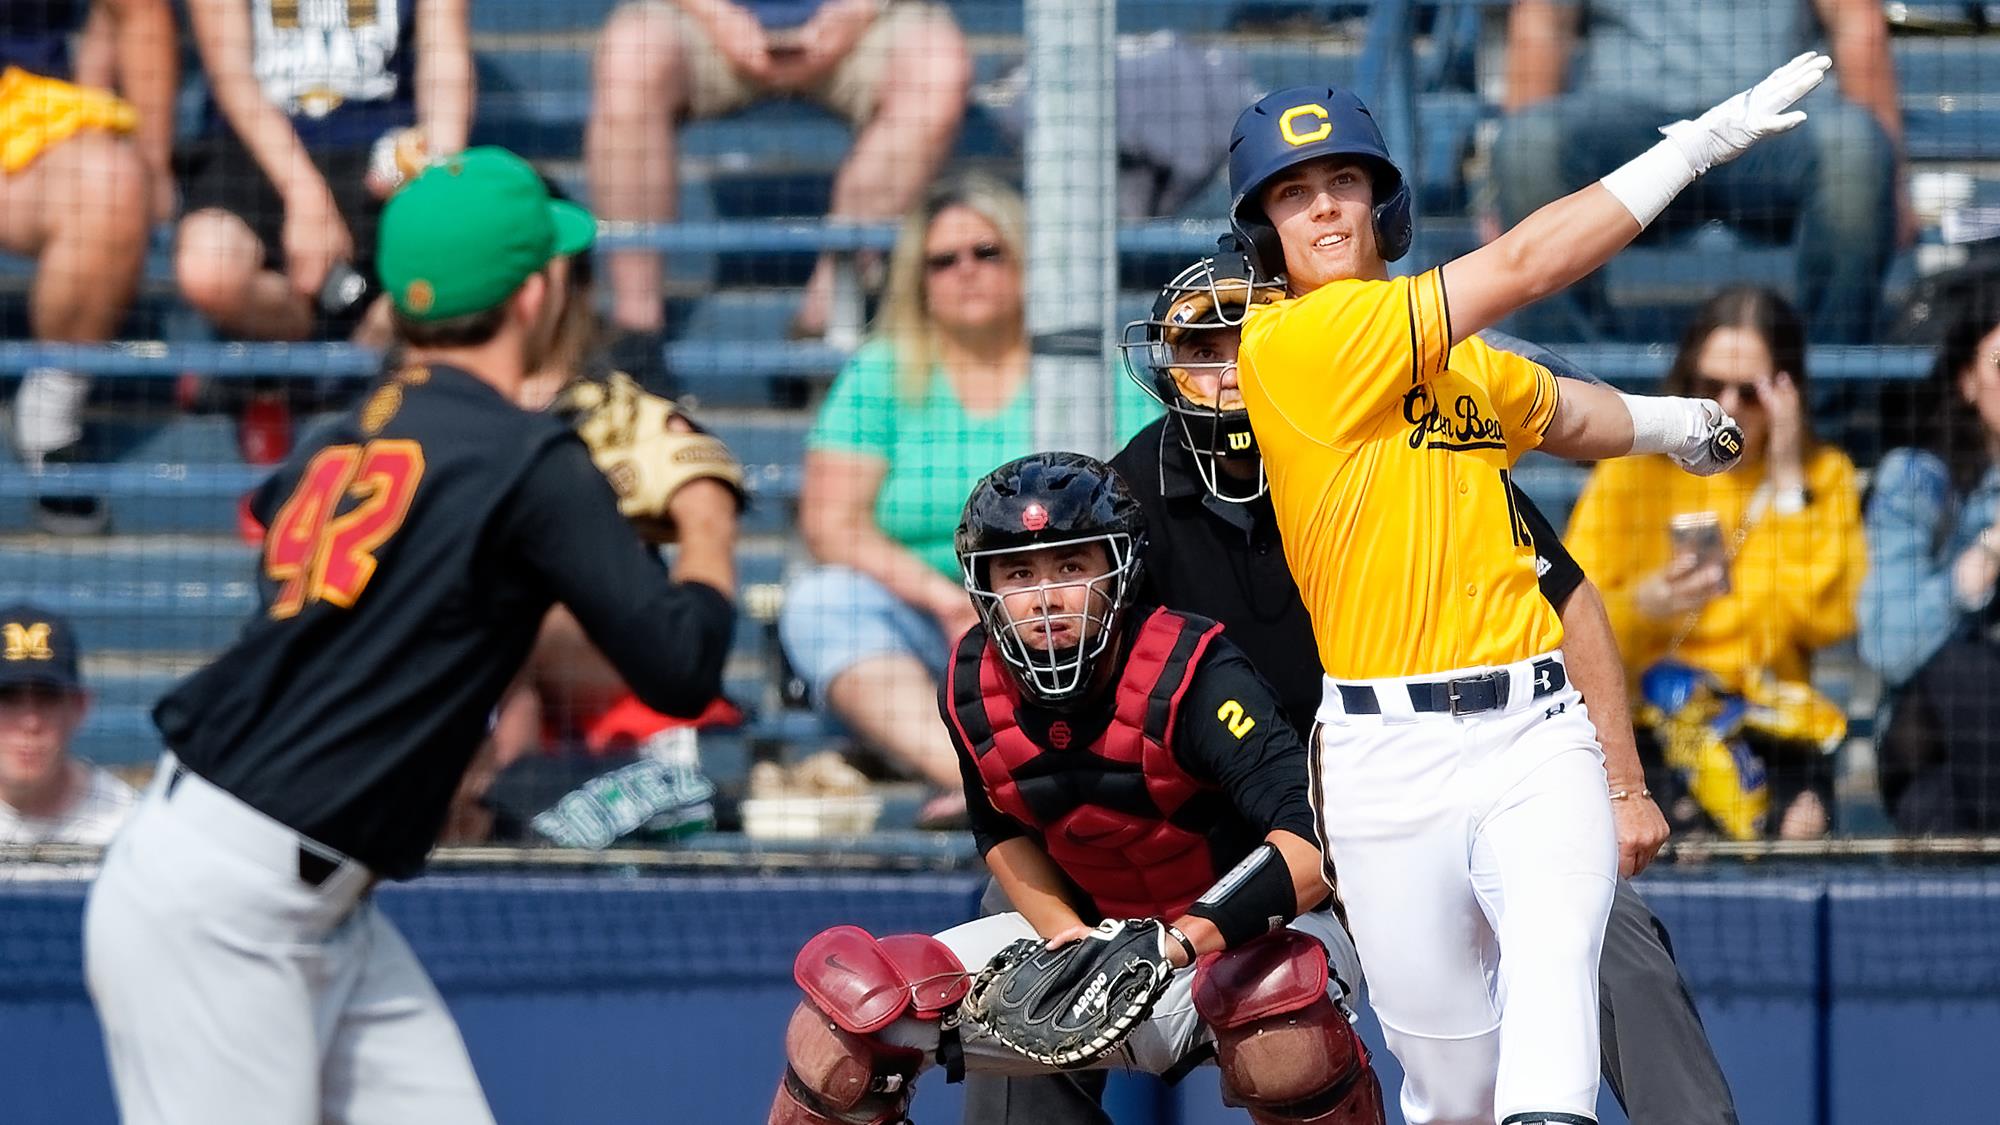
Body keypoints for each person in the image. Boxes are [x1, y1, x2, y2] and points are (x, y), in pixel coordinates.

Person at [958, 250, 1737, 1125]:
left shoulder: (1403, 436)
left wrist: (1624, 785)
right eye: (1200, 347)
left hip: (1410, 782)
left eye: (1248, 335)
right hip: (1216, 824)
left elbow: (1569, 599)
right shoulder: (1129, 495)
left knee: (1610, 934)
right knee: (1029, 964)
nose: (1229, 367)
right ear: (1166, 365)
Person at [83, 147, 739, 1125]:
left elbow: (401, 583)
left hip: (302, 891)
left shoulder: (346, 430)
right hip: (227, 915)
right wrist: (704, 512)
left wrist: (554, 551)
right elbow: (682, 669)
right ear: (535, 294)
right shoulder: (528, 461)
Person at [1226, 60, 1823, 1124]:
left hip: (1532, 736)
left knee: (1549, 1054)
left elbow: (1558, 413)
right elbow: (1531, 261)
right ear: (1263, 231)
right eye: (1289, 191)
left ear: (1380, 202)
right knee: (1452, 1094)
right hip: (1382, 761)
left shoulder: (1450, 363)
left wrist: (1673, 423)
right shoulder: (1297, 344)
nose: (1320, 205)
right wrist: (1686, 151)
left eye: (1342, 181)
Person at [766, 452, 1385, 1125]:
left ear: (1120, 568)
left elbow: (1310, 842)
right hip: (1098, 938)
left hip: (1245, 940)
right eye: (1019, 572)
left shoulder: (1196, 671)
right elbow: (999, 830)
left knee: (1282, 1026)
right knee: (844, 1024)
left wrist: (1174, 945)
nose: (1046, 596)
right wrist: (1070, 941)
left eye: (1071, 567)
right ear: (984, 584)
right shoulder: (970, 682)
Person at [777, 173, 1155, 825]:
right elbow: (830, 524)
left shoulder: (1085, 371)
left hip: (1063, 613)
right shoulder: (881, 371)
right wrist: (949, 600)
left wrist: (1026, 596)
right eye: (942, 260)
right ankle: (984, 777)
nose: (965, 272)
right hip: (929, 621)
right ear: (917, 280)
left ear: (1025, 261)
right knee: (820, 602)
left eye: (987, 252)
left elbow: (1142, 501)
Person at [1567, 286, 1864, 840]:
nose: (1728, 406)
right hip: (1654, 716)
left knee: (1802, 827)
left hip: (1767, 719)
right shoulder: (1631, 472)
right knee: (1679, 834)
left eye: (1750, 392)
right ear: (1687, 383)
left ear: (1786, 392)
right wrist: (1644, 605)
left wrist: (1788, 486)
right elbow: (1570, 623)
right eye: (1711, 387)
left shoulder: (1824, 476)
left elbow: (1826, 621)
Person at [1493, 0, 1905, 343]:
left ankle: (1819, 423)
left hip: (1770, 122)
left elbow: (1857, 20)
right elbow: (1541, 20)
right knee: (1532, 144)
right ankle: (1564, 409)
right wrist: (1511, 213)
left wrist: (1895, 189)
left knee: (1854, 146)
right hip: (1630, 135)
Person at [586, 0, 971, 359]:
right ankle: (636, 334)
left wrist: (856, 12)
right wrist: (715, 14)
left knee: (938, 68)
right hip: (704, 21)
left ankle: (825, 315)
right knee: (629, 55)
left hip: (862, 23)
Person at [175, 0, 471, 343]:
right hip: (255, 151)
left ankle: (371, 357)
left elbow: (445, 55)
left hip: (378, 153)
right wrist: (306, 197)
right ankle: (311, 340)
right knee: (208, 270)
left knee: (448, 261)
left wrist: (438, 172)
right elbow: (231, 75)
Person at [2, 0, 175, 530]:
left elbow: (138, 12)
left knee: (111, 184)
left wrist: (154, 164)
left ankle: (50, 415)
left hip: (23, 110)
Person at [1860, 286, 2000, 832]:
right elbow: (1888, 647)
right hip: (1932, 737)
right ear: (1966, 381)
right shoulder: (1915, 481)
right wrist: (1984, 558)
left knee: (1937, 809)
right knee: (1961, 671)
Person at [0, 604, 136, 847]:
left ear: (80, 707)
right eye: (8, 698)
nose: (30, 722)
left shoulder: (127, 826)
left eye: (47, 697)